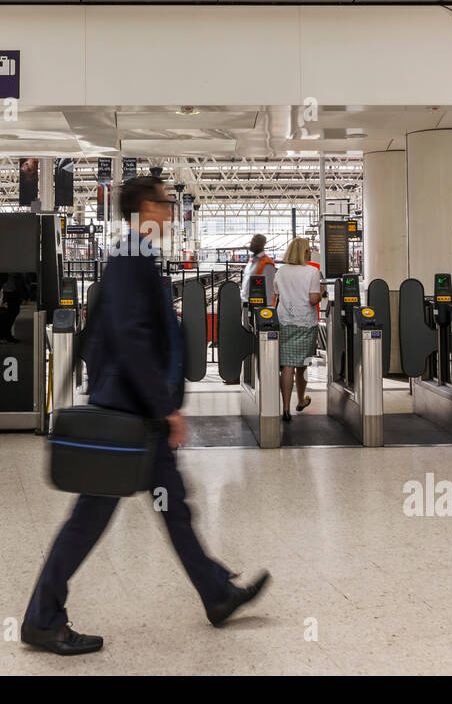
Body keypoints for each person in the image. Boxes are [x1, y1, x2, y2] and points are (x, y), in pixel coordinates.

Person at [21, 175, 270, 655]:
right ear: (144, 210)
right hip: (131, 415)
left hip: (136, 413)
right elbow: (132, 339)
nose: (171, 211)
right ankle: (42, 618)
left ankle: (216, 594)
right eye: (165, 203)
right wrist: (164, 408)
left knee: (174, 506)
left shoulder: (134, 257)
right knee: (91, 518)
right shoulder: (131, 259)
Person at [271, 237, 322, 422]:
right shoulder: (312, 271)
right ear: (303, 252)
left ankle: (285, 408)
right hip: (306, 324)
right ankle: (300, 400)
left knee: (287, 366)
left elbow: (277, 294)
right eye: (307, 249)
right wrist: (322, 292)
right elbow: (313, 299)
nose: (310, 252)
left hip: (285, 322)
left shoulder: (281, 271)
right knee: (302, 366)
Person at [240, 233, 276, 306]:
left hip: (258, 306)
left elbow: (269, 289)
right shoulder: (252, 261)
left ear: (262, 245)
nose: (252, 244)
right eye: (252, 241)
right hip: (246, 304)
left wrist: (267, 308)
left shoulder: (267, 263)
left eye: (255, 242)